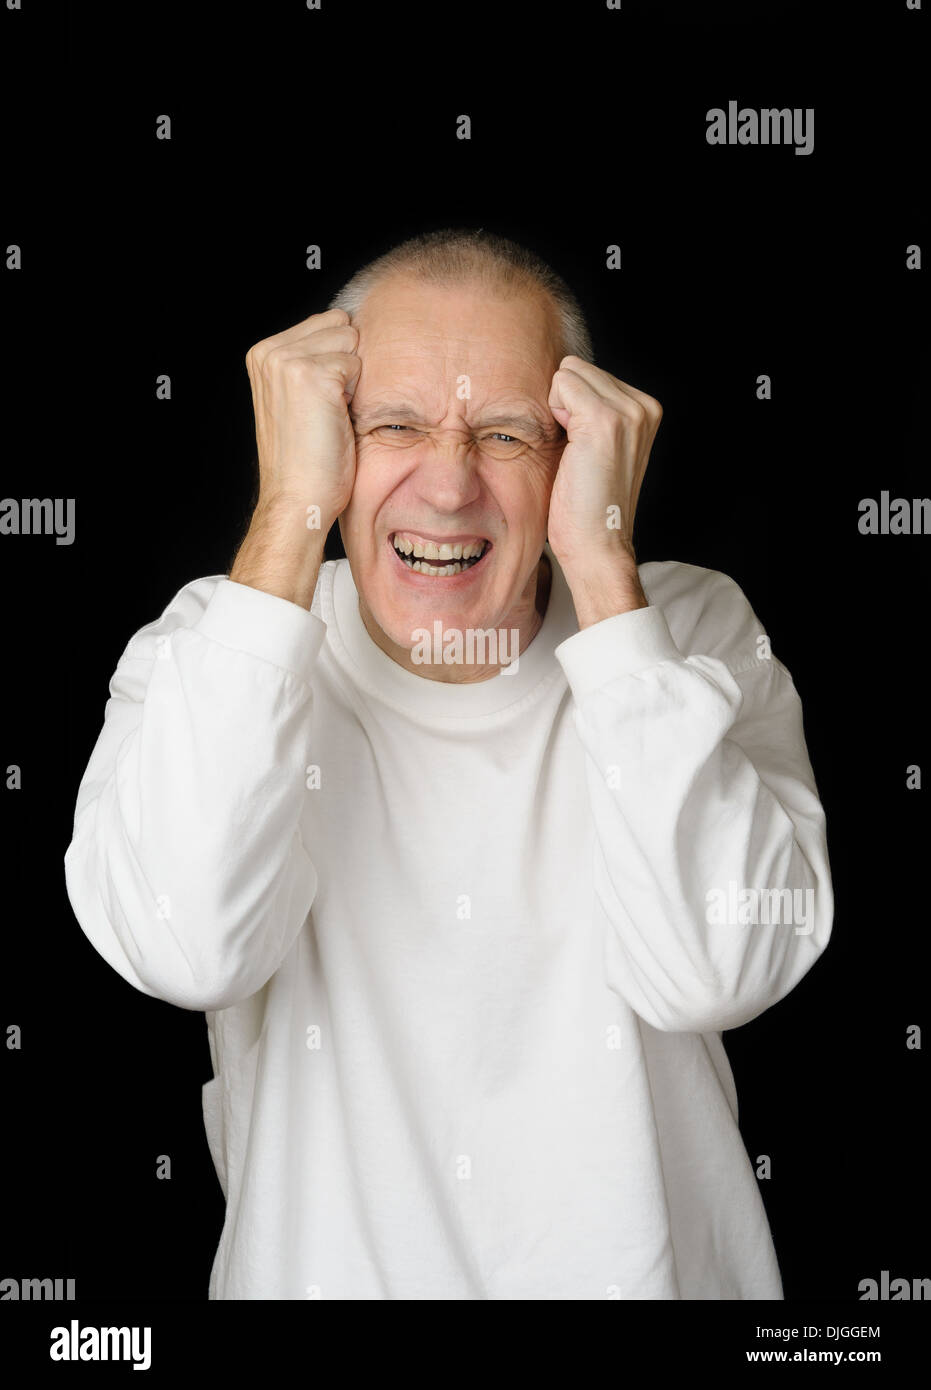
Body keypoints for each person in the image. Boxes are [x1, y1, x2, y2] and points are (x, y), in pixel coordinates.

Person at [64, 229, 833, 1300]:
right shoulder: (215, 645)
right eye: (395, 424)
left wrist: (605, 568)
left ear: (578, 453)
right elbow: (187, 947)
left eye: (507, 435)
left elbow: (720, 971)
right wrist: (288, 515)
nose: (447, 485)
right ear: (322, 441)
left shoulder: (685, 632)